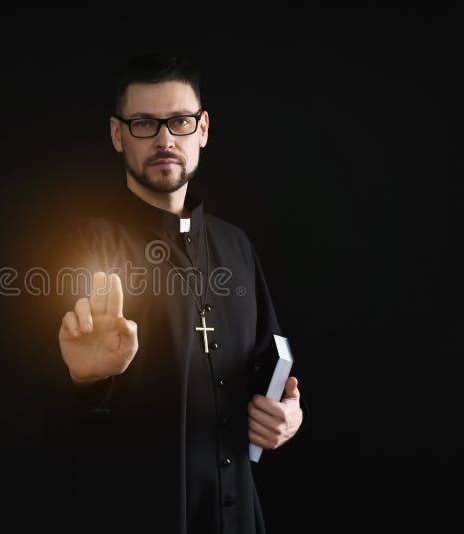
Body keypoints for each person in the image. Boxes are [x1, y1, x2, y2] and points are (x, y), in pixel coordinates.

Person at [51, 52, 305, 534]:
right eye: (144, 122)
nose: (165, 139)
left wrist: (289, 417)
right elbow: (40, 407)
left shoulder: (237, 245)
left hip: (240, 518)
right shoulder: (82, 244)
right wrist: (85, 380)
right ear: (116, 133)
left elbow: (272, 366)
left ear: (203, 129)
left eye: (180, 122)